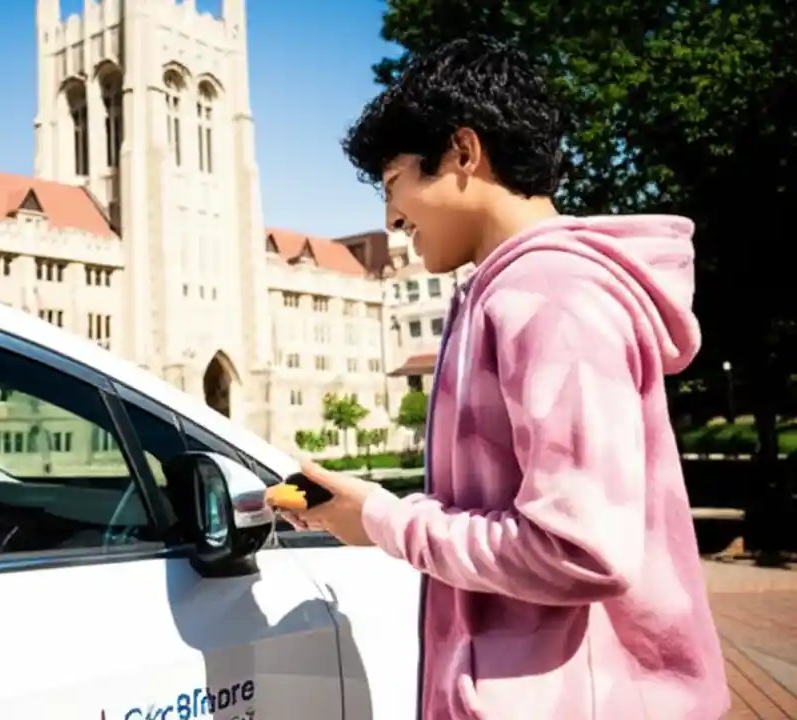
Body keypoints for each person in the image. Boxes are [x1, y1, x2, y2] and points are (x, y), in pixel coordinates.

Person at [282, 37, 730, 719]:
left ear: (463, 153)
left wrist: (381, 519)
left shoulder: (552, 296)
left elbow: (578, 549)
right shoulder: (504, 292)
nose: (391, 218)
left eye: (394, 184)